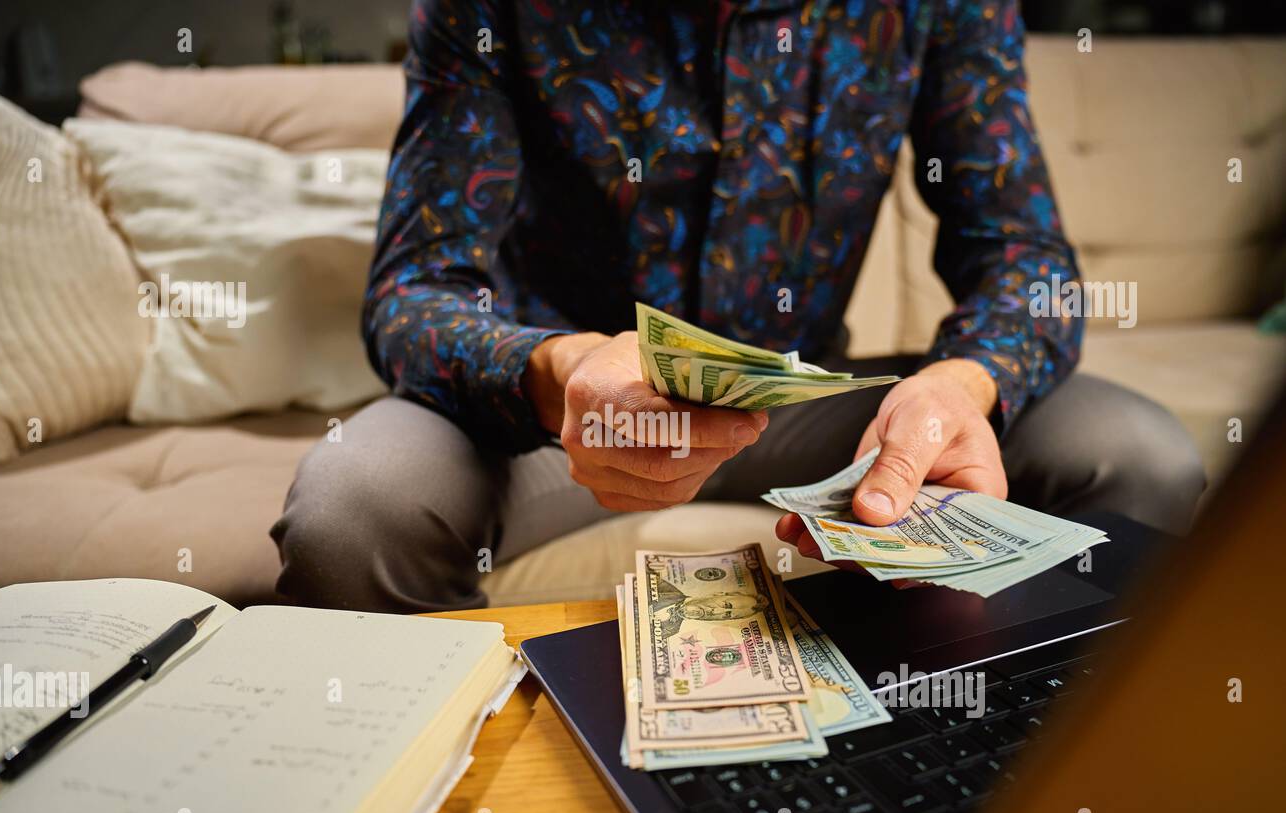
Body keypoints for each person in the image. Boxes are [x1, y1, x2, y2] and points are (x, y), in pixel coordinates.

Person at [272, 0, 1204, 612]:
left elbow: (1025, 262)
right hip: (545, 425)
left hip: (811, 408)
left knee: (1139, 456)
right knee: (354, 508)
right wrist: (560, 370)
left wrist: (958, 389)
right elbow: (413, 287)